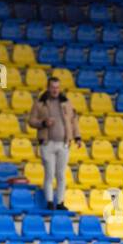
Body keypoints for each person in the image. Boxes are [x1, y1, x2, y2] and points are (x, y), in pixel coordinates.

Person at [27, 76, 79, 210]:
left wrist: (77, 136)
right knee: (49, 173)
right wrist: (43, 123)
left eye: (57, 87)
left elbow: (73, 120)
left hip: (63, 143)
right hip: (47, 143)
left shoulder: (66, 102)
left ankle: (60, 202)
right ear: (48, 88)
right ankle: (50, 201)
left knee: (61, 174)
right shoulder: (40, 103)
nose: (55, 90)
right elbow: (31, 121)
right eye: (53, 87)